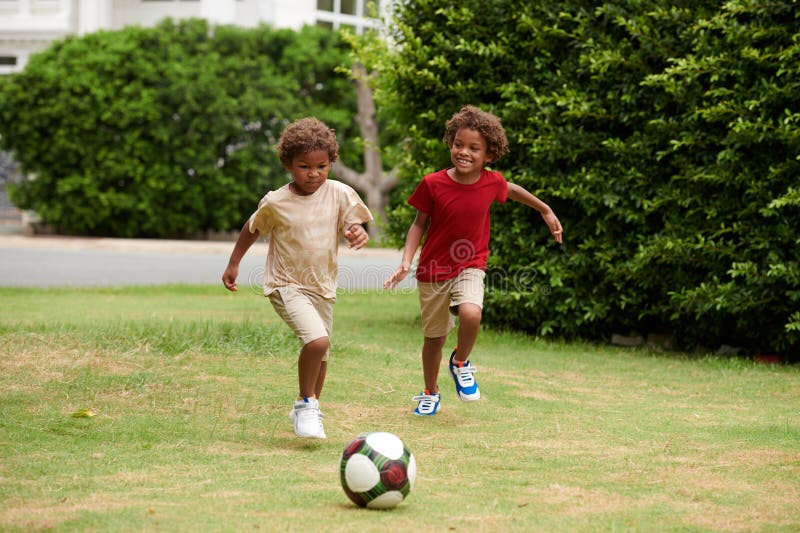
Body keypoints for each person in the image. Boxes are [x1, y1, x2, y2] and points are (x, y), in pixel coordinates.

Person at [384, 105, 563, 416]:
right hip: (433, 270)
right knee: (434, 339)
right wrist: (405, 260)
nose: (463, 152)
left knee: (471, 314)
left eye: (473, 148)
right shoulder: (432, 183)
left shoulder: (491, 182)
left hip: (471, 264)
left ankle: (461, 362)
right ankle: (430, 392)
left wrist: (544, 210)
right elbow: (418, 224)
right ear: (451, 142)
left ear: (489, 154)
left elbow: (514, 190)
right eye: (458, 144)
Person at [222, 117, 372, 438]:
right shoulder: (276, 202)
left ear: (331, 162)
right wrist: (234, 263)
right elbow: (251, 230)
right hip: (286, 284)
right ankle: (306, 404)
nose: (314, 173)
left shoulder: (339, 193)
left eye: (322, 166)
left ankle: (309, 405)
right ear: (288, 163)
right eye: (305, 166)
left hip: (322, 286)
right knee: (317, 341)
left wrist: (357, 231)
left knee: (322, 355)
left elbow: (353, 224)